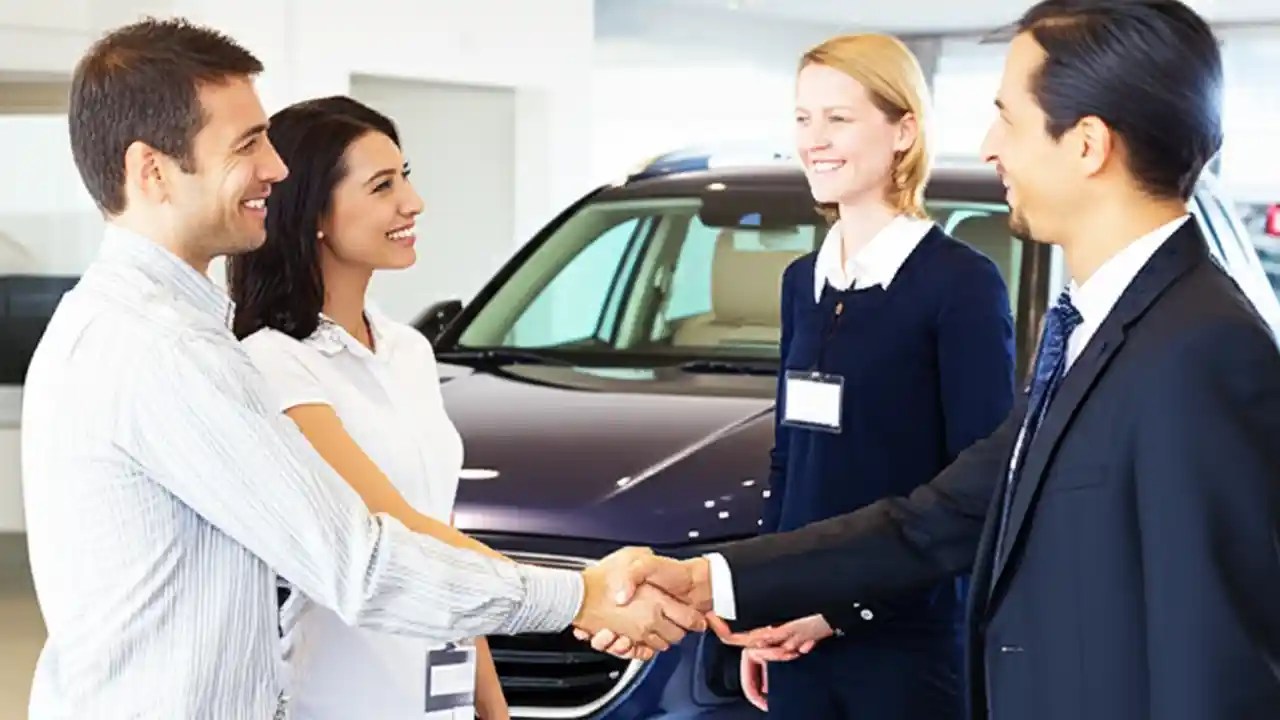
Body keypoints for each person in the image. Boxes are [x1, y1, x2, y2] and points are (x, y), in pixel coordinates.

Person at [588, 1, 1280, 718]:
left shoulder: (1203, 349)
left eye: (1007, 118)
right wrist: (711, 580)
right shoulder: (1099, 328)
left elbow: (1216, 668)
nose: (988, 146)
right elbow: (937, 517)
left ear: (1087, 144)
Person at [19, 18, 700, 719]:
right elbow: (361, 563)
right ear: (152, 170)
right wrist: (580, 594)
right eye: (247, 144)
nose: (275, 169)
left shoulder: (153, 327)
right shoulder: (165, 350)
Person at [726, 32, 1015, 719]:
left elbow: (978, 492)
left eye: (838, 118)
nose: (813, 140)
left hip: (902, 649)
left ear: (903, 132)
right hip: (793, 637)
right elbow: (789, 463)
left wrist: (837, 611)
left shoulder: (961, 285)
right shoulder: (804, 282)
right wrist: (765, 602)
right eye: (803, 118)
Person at [224, 98, 507, 719]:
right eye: (383, 186)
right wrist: (575, 593)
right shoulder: (274, 363)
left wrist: (493, 709)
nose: (413, 202)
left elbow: (441, 529)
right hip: (347, 693)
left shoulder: (408, 350)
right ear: (312, 215)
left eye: (405, 176)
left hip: (440, 685)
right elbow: (397, 530)